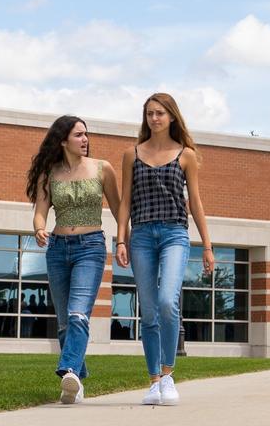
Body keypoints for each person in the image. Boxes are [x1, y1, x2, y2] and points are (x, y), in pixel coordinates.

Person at [115, 92, 214, 406]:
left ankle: (169, 375)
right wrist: (121, 239)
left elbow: (195, 203)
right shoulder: (131, 154)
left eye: (159, 113)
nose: (154, 119)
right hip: (142, 236)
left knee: (167, 302)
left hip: (174, 234)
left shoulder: (186, 155)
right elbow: (125, 202)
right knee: (148, 311)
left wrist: (208, 246)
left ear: (171, 116)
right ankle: (154, 381)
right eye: (149, 114)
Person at [27, 115, 121, 405]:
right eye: (78, 135)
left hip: (91, 247)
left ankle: (68, 370)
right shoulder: (49, 173)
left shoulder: (102, 169)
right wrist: (39, 229)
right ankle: (76, 383)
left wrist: (124, 242)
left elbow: (119, 210)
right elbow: (40, 211)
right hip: (57, 248)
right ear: (63, 140)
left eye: (86, 134)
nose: (85, 140)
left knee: (78, 314)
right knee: (65, 322)